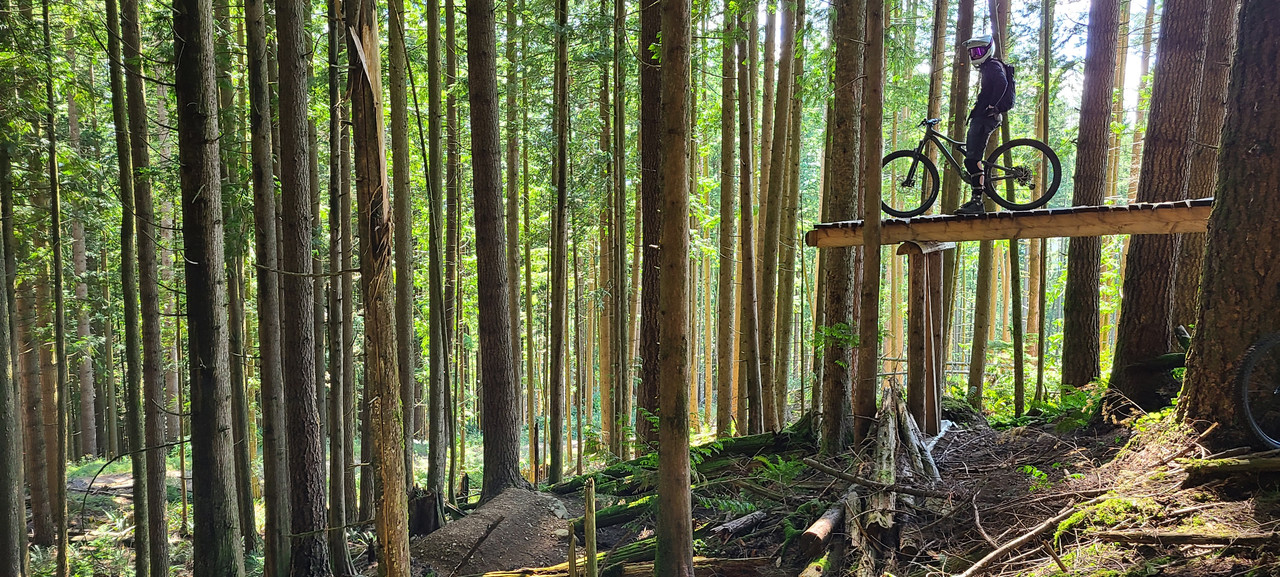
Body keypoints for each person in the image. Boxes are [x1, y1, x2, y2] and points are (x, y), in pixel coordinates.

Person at [956, 35, 1009, 216]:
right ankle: (975, 201)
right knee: (972, 158)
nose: (974, 55)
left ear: (988, 50)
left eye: (978, 51)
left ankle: (977, 203)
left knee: (973, 159)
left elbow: (1002, 83)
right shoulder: (988, 68)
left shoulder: (993, 66)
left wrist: (992, 105)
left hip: (986, 118)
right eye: (972, 52)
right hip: (983, 117)